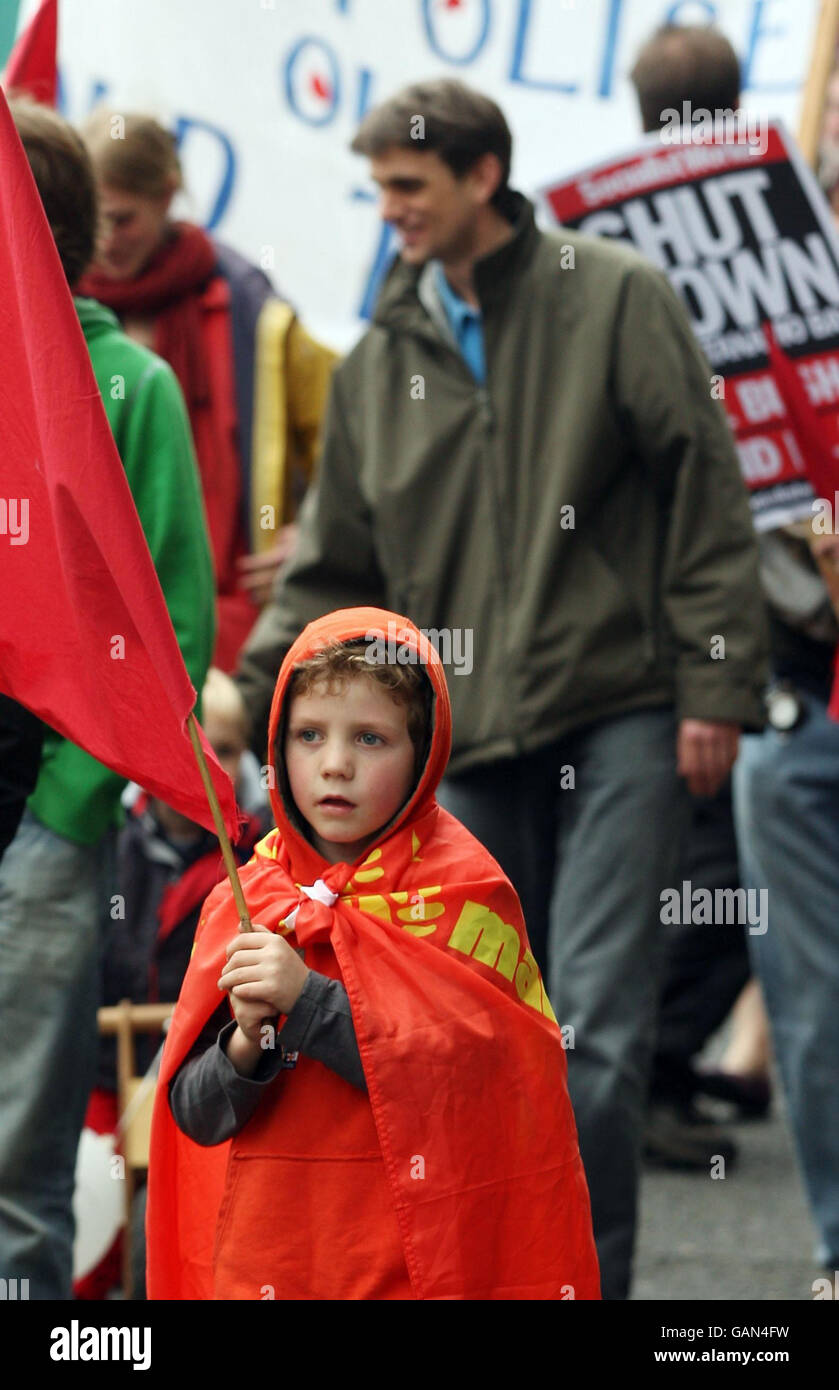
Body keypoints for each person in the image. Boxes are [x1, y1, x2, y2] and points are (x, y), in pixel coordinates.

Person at [234, 79, 767, 1298]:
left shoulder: (614, 294)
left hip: (623, 706)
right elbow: (330, 559)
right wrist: (243, 685)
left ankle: (589, 1286)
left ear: (483, 178)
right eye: (377, 192)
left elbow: (703, 486)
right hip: (462, 739)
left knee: (589, 1035)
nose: (390, 214)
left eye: (408, 189)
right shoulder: (383, 358)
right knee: (466, 1026)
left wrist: (713, 683)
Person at [146, 609, 601, 1300]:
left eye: (370, 737)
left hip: (419, 1266)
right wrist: (245, 1044)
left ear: (423, 754)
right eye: (308, 736)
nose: (335, 763)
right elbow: (197, 1118)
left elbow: (476, 1087)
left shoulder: (465, 893)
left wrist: (308, 1001)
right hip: (272, 1263)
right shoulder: (248, 898)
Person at [0, 99, 215, 1301]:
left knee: (15, 1157)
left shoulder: (126, 385)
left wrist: (73, 804)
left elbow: (170, 625)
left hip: (39, 823)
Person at [629, 23, 773, 1167]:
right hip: (733, 597)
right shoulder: (777, 229)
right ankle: (657, 1067)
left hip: (658, 601)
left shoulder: (601, 247)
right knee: (721, 860)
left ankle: (655, 1065)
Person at [78, 110, 338, 671]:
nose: (106, 241)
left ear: (167, 195)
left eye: (123, 220)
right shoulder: (52, 311)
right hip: (94, 622)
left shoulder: (254, 313)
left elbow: (348, 451)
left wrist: (315, 534)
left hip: (235, 628)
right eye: (93, 220)